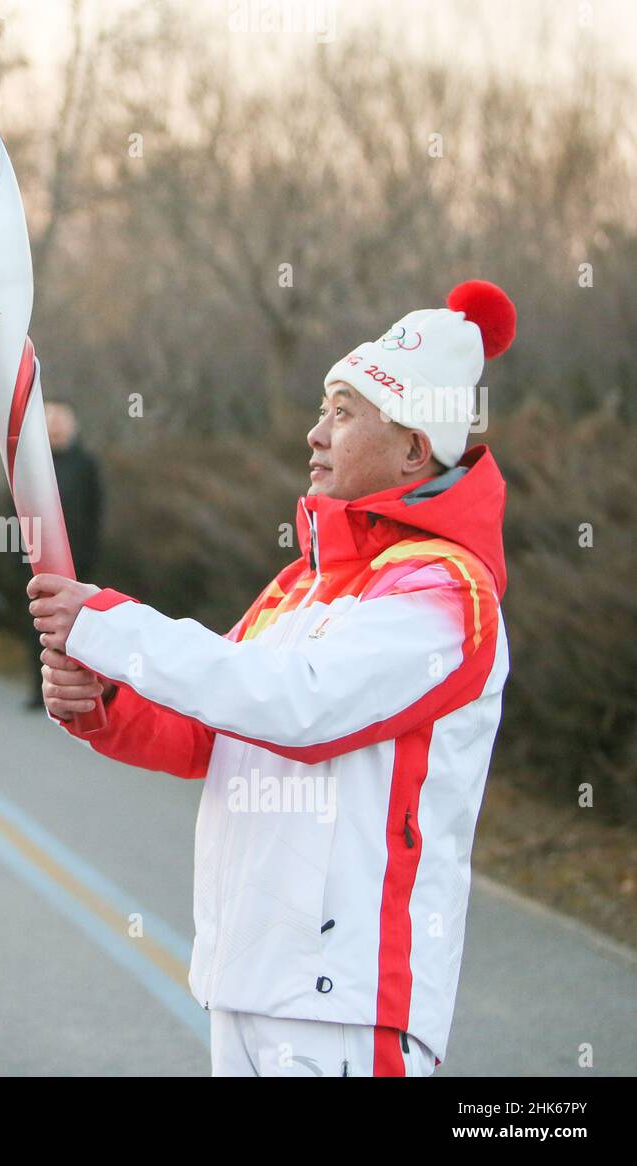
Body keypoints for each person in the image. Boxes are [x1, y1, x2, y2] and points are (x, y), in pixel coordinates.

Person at [29, 281, 516, 1077]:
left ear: (415, 448)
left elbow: (300, 705)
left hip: (350, 1005)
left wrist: (109, 625)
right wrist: (107, 701)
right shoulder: (300, 586)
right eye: (324, 409)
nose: (315, 434)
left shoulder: (446, 593)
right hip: (246, 985)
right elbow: (209, 730)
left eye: (344, 412)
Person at [11, 398, 103, 707]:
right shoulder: (33, 462)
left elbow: (95, 514)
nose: (56, 425)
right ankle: (39, 688)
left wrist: (90, 556)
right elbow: (17, 511)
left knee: (76, 626)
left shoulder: (85, 464)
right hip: (36, 560)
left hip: (77, 562)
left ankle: (75, 691)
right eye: (49, 419)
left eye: (61, 419)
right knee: (38, 625)